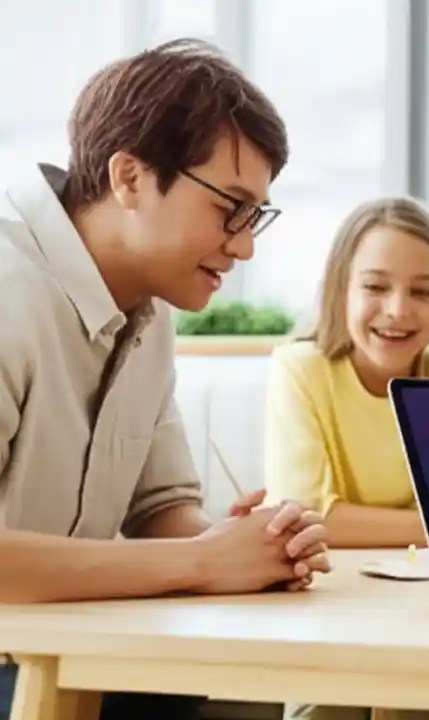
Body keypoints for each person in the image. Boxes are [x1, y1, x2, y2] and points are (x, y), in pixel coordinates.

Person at [0, 39, 330, 720]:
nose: (243, 245)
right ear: (129, 178)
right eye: (228, 208)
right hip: (22, 663)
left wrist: (249, 547)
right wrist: (203, 563)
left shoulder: (148, 307)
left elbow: (161, 509)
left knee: (273, 699)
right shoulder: (8, 291)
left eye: (255, 216)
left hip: (66, 651)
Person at [265, 197, 429, 550]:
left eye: (422, 292)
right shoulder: (300, 369)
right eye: (375, 287)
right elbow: (302, 516)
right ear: (340, 292)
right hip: (325, 587)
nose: (398, 310)